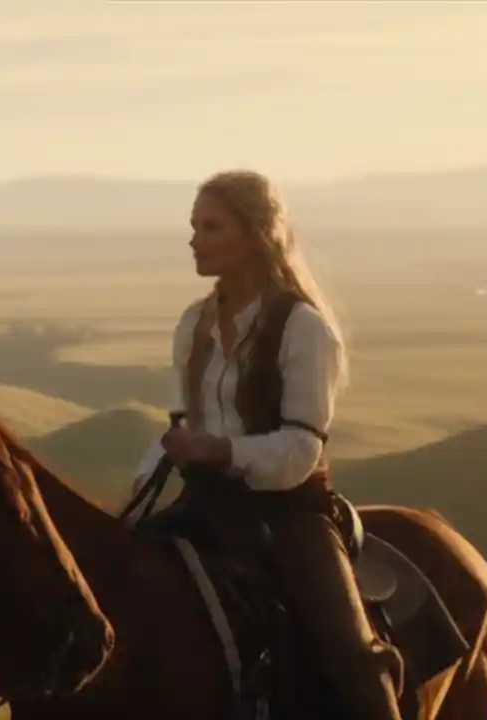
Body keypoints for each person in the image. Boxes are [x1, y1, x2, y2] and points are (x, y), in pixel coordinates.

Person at [124, 170, 402, 719]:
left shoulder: (304, 329)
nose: (193, 240)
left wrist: (223, 453)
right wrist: (138, 496)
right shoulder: (192, 324)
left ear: (253, 235)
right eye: (193, 226)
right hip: (202, 506)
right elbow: (182, 427)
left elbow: (301, 450)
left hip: (290, 511)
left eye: (210, 226)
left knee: (351, 657)